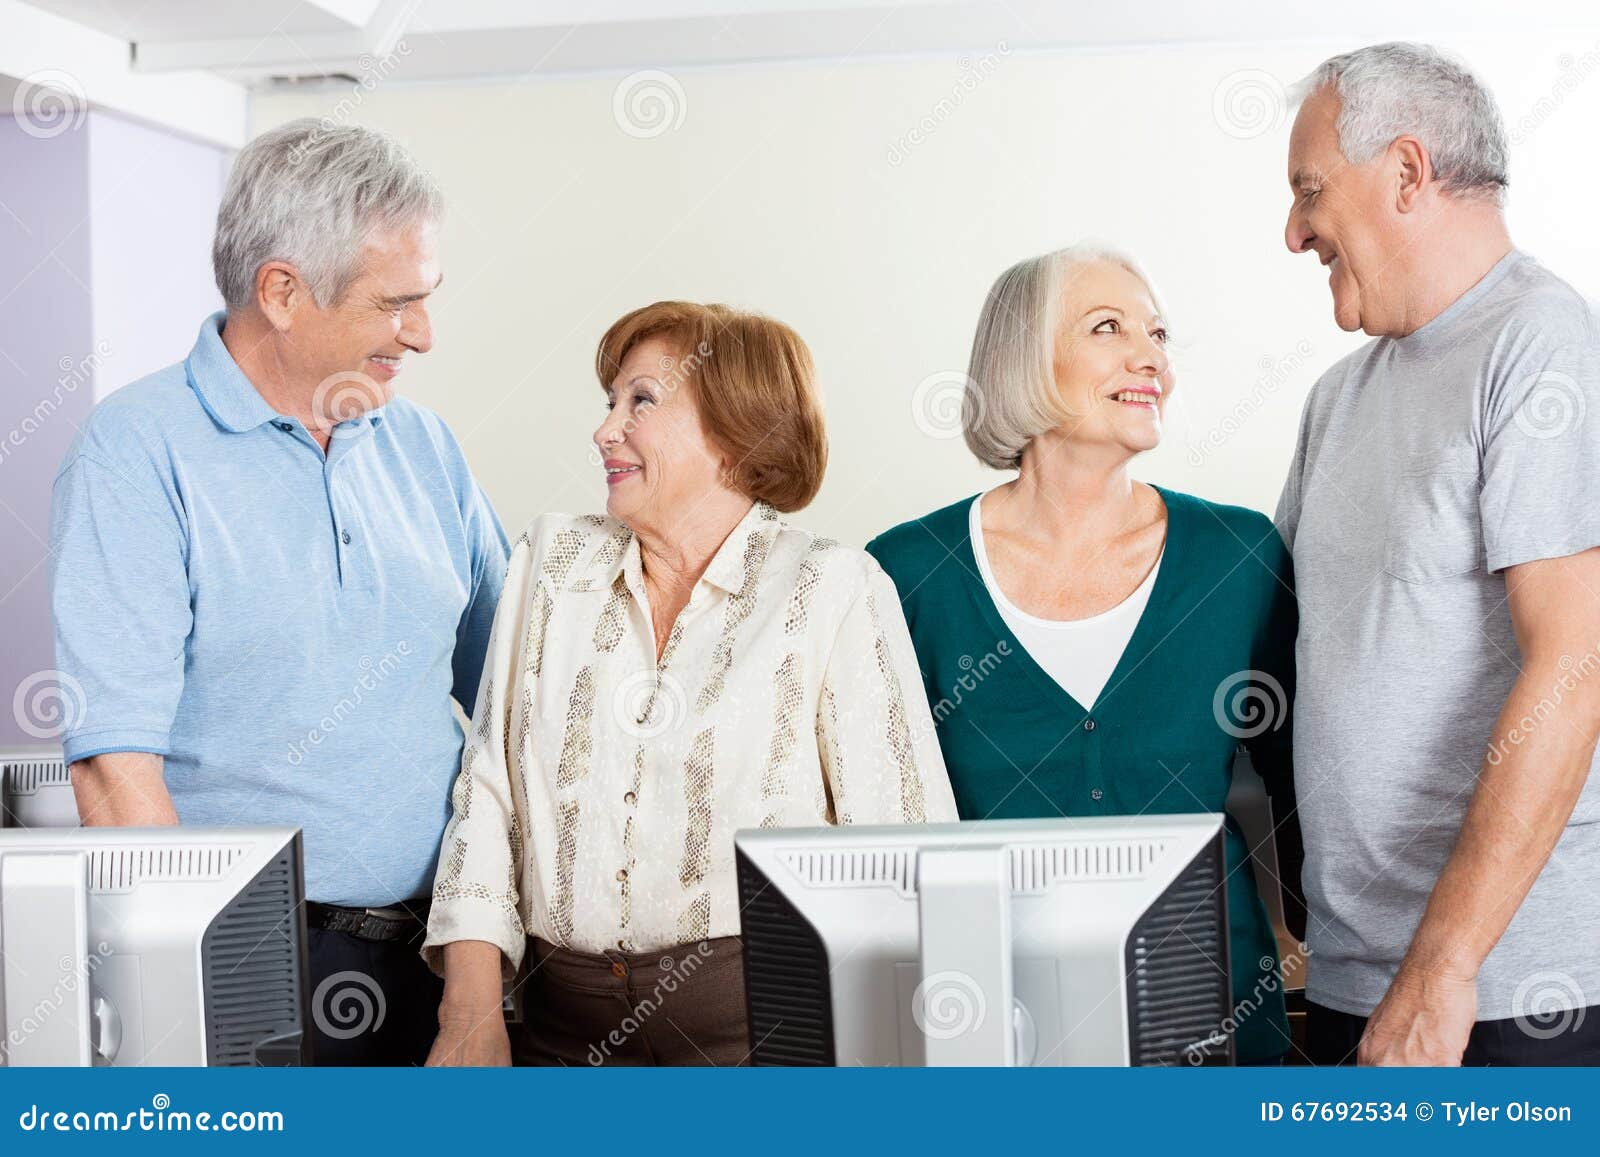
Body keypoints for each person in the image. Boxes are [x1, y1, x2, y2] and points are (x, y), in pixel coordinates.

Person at [49, 118, 509, 1066]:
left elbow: (516, 708)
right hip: (245, 960)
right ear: (283, 291)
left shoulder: (426, 446)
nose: (424, 334)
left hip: (437, 953)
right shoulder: (135, 451)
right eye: (396, 304)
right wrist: (191, 995)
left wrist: (477, 978)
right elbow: (113, 768)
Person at [422, 300, 958, 1066]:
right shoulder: (550, 563)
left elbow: (905, 854)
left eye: (641, 400)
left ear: (737, 434)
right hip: (555, 1044)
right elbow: (487, 793)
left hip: (765, 1049)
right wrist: (467, 1016)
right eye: (610, 401)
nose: (606, 429)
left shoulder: (832, 587)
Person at [867, 244, 1304, 1065]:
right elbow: (871, 837)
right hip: (990, 1044)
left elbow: (1302, 793)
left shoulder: (1236, 558)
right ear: (1021, 361)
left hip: (1211, 1033)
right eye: (1109, 327)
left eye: (1160, 333)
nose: (1153, 359)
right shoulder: (904, 575)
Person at [1278, 42, 1600, 1065]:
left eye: (1309, 192)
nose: (1294, 232)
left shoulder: (1540, 342)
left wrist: (1442, 964)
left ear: (1407, 172)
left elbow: (1577, 661)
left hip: (1495, 993)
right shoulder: (1336, 398)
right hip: (1351, 978)